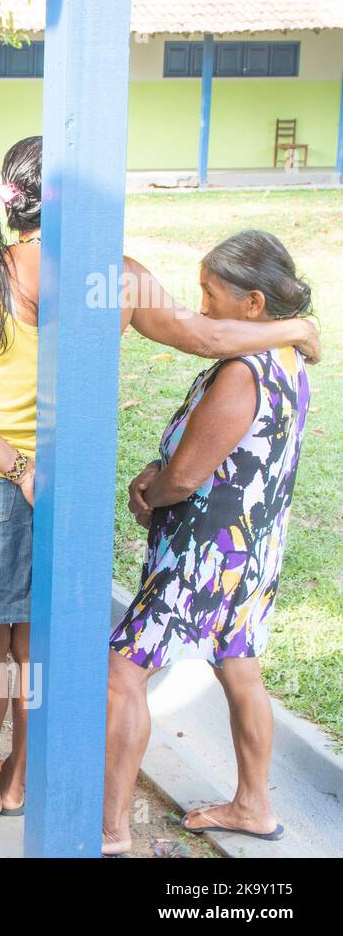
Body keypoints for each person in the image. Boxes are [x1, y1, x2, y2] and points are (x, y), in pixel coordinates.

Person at [0, 136, 321, 821]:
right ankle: (21, 780)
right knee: (40, 642)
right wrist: (293, 328)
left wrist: (15, 464)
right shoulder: (116, 276)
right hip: (67, 492)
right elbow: (207, 336)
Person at [102, 231, 313, 855]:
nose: (201, 306)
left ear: (253, 304)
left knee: (123, 671)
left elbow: (191, 475)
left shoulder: (244, 371)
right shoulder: (288, 360)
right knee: (238, 665)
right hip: (253, 548)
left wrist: (151, 491)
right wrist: (159, 470)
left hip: (205, 554)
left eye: (209, 293)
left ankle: (110, 830)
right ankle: (253, 805)